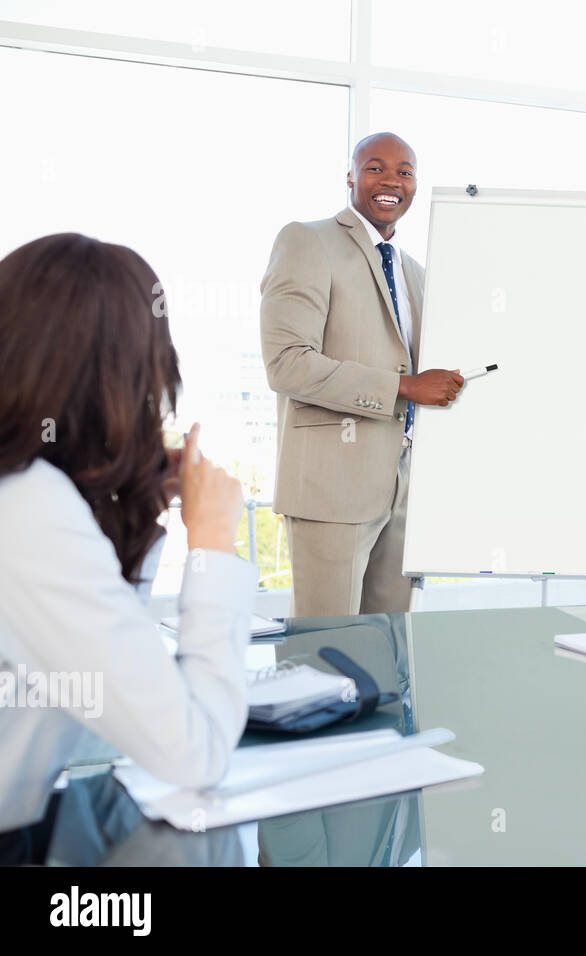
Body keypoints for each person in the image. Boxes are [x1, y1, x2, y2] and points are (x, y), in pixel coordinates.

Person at [0, 234, 254, 844]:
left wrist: (133, 504)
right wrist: (213, 542)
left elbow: (114, 670)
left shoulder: (26, 492)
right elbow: (196, 752)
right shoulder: (29, 507)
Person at [260, 132, 464, 617]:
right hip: (331, 490)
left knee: (389, 648)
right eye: (375, 167)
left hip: (402, 489)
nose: (391, 180)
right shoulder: (307, 241)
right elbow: (287, 362)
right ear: (351, 177)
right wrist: (404, 387)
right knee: (326, 650)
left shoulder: (416, 271)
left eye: (405, 171)